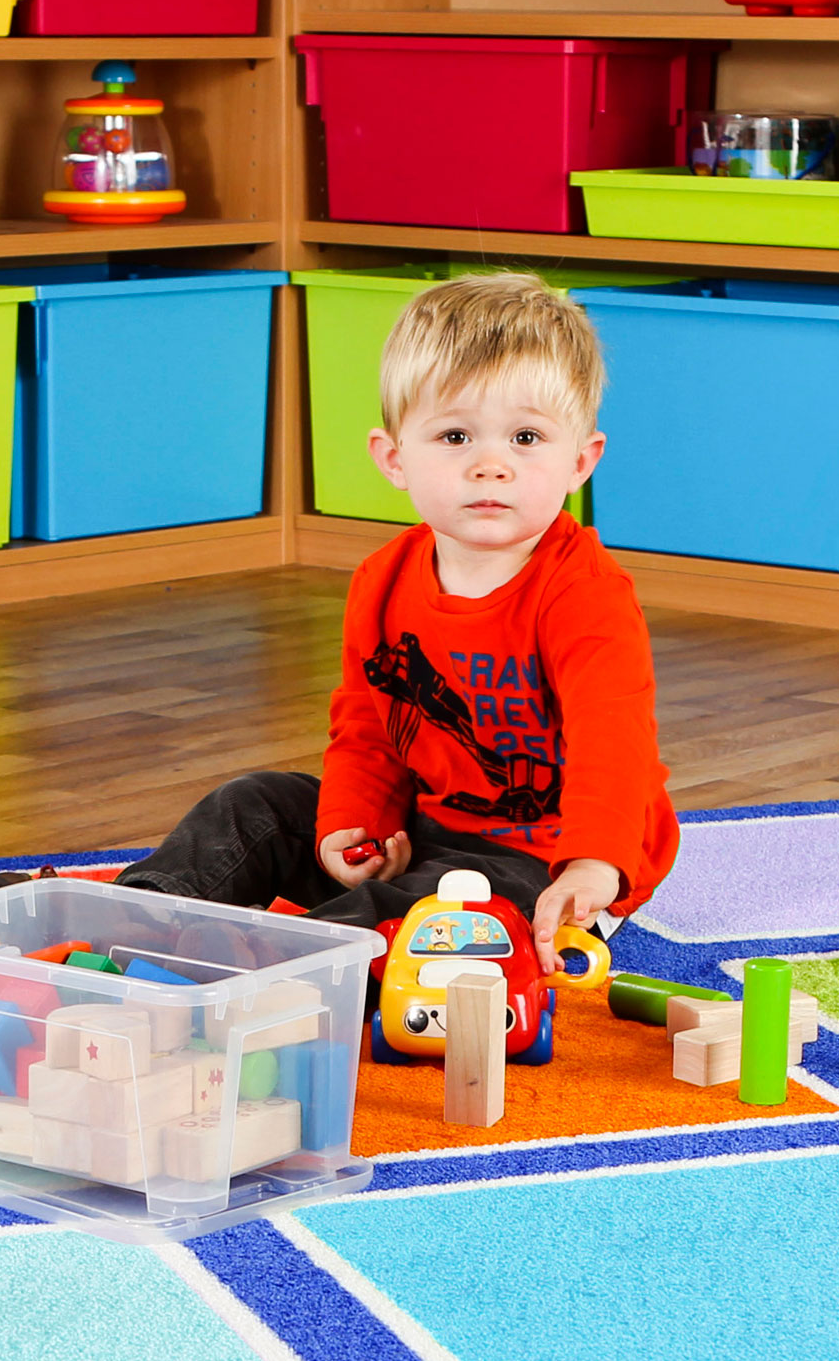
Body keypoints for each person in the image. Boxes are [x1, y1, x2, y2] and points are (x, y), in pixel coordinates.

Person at [112, 270, 679, 971]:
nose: (491, 465)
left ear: (580, 462)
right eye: (455, 436)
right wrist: (354, 829)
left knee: (416, 921)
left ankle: (266, 967)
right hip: (426, 826)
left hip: (539, 865)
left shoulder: (583, 593)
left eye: (527, 437)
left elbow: (613, 745)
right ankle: (133, 920)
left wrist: (593, 867)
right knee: (253, 803)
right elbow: (370, 725)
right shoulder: (382, 581)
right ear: (394, 458)